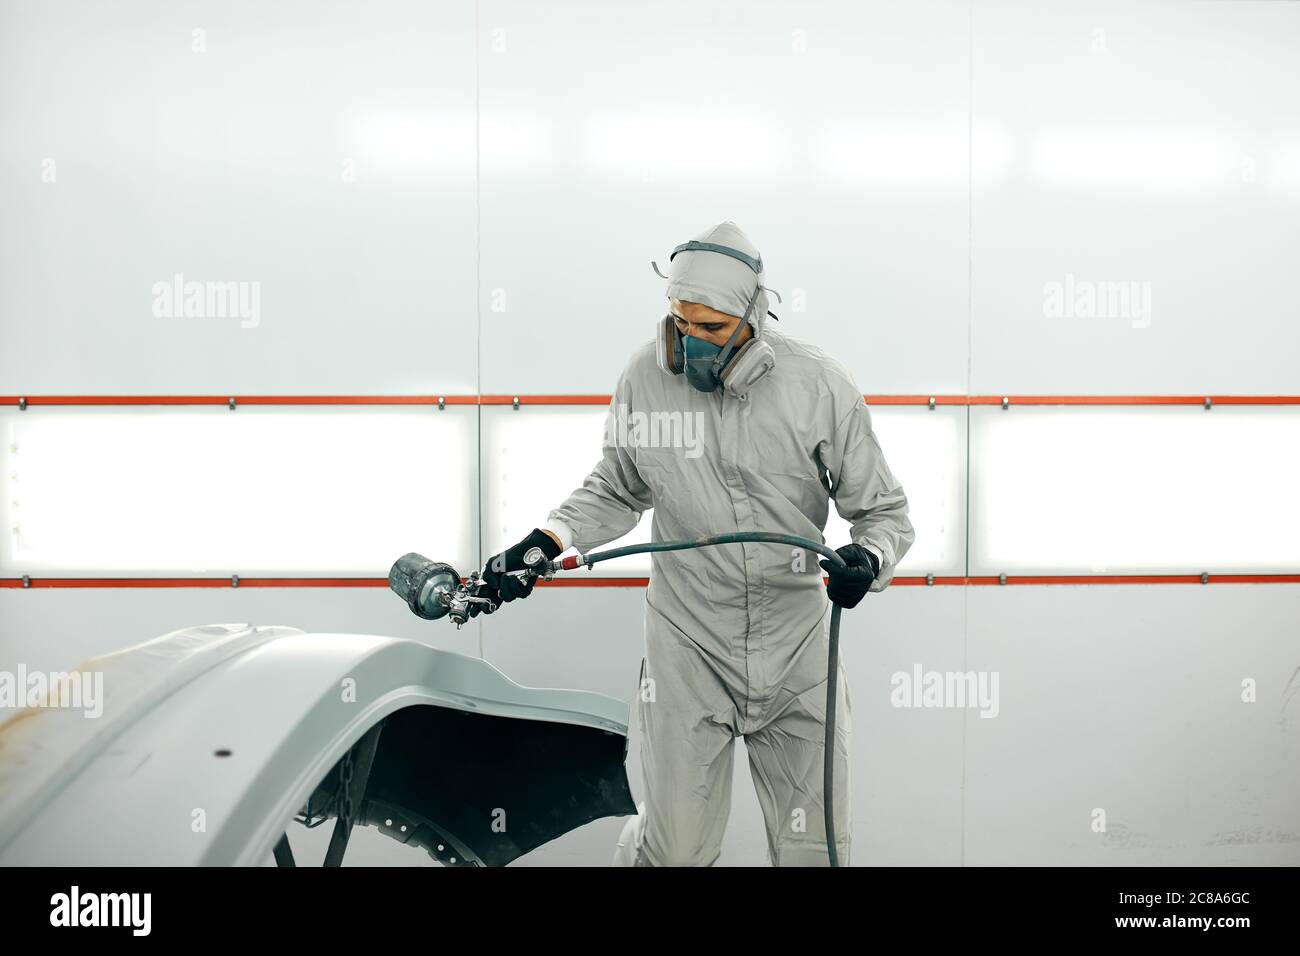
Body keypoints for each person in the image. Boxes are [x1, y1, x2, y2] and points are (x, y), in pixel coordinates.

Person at [481, 221, 914, 866]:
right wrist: (549, 538)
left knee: (813, 849)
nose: (692, 342)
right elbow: (618, 486)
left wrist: (868, 559)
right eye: (681, 323)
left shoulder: (819, 387)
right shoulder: (645, 379)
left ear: (753, 318)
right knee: (676, 851)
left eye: (711, 329)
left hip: (796, 645)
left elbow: (884, 513)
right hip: (689, 645)